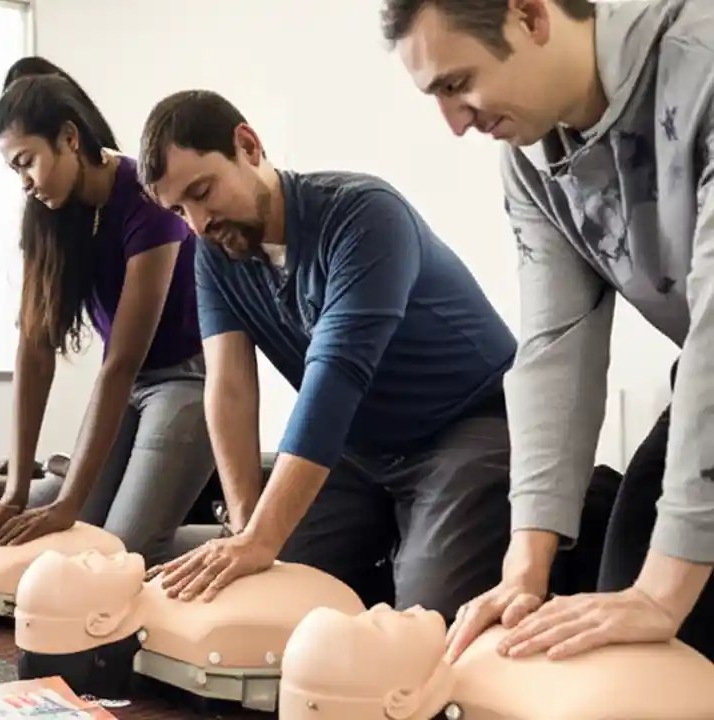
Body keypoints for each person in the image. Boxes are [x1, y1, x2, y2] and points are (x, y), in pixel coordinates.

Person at [382, 0, 714, 661]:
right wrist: (523, 570)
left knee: (673, 606)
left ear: (530, 17)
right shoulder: (530, 159)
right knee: (625, 618)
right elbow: (554, 348)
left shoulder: (701, 62)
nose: (454, 123)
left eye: (457, 83)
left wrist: (664, 594)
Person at [136, 89, 518, 619]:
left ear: (248, 146)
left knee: (427, 621)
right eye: (179, 209)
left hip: (466, 424)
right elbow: (229, 387)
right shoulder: (215, 255)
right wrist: (247, 527)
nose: (197, 223)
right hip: (359, 447)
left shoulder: (364, 216)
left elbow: (334, 379)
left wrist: (260, 538)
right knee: (274, 596)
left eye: (203, 191)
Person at [0, 65, 216, 567]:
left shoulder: (146, 197)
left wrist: (69, 502)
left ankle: (241, 539)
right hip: (126, 389)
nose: (25, 182)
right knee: (80, 547)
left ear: (69, 138)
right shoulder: (50, 215)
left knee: (119, 553)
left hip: (185, 381)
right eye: (15, 170)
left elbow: (122, 362)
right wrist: (16, 492)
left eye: (27, 162)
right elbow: (34, 346)